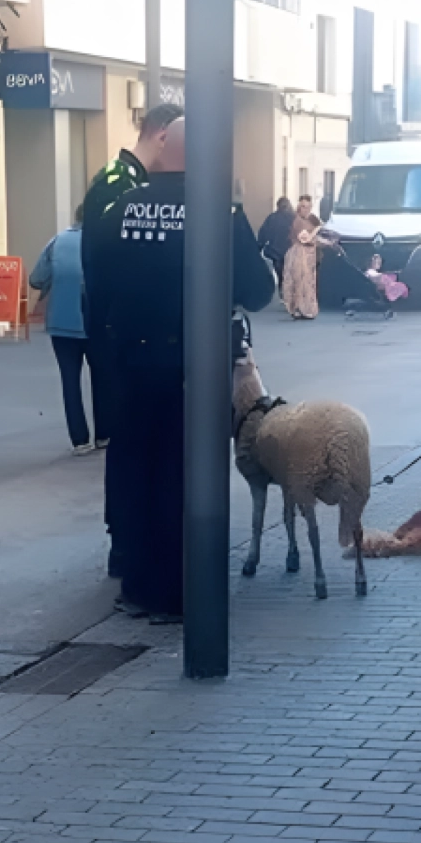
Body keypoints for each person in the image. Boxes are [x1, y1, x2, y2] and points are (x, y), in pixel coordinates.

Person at [91, 117, 276, 620]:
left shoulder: (119, 207)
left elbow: (96, 286)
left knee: (136, 468)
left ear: (165, 146)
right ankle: (181, 592)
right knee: (188, 472)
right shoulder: (221, 211)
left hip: (132, 362)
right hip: (196, 364)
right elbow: (259, 291)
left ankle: (137, 585)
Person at [82, 103, 184, 579]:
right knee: (130, 447)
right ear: (163, 136)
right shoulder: (118, 186)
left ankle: (134, 540)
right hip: (120, 338)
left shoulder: (128, 183)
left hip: (126, 336)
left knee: (136, 447)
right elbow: (105, 266)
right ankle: (125, 543)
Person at [30, 206, 107, 455]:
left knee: (69, 381)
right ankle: (104, 434)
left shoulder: (57, 242)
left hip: (61, 324)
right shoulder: (104, 243)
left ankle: (79, 439)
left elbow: (36, 279)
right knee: (102, 378)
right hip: (97, 323)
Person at [282, 194, 321, 319]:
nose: (306, 209)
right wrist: (316, 231)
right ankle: (298, 309)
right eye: (303, 206)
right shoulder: (297, 221)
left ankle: (307, 309)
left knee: (309, 283)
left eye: (308, 207)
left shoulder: (312, 218)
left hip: (309, 256)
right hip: (298, 254)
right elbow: (305, 239)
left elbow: (321, 227)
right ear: (299, 207)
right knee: (298, 282)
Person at [257, 197, 295, 281]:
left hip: (275, 255)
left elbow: (263, 235)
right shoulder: (294, 218)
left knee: (279, 280)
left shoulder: (272, 218)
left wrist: (258, 249)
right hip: (291, 256)